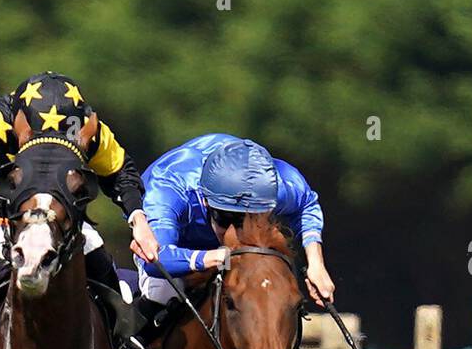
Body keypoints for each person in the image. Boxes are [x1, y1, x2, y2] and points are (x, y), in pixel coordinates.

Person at [132, 134, 334, 329]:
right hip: (177, 236)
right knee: (163, 292)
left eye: (250, 219)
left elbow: (307, 204)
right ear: (204, 200)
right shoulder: (169, 190)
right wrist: (210, 257)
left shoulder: (278, 189)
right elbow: (155, 258)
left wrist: (316, 264)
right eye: (227, 219)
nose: (235, 234)